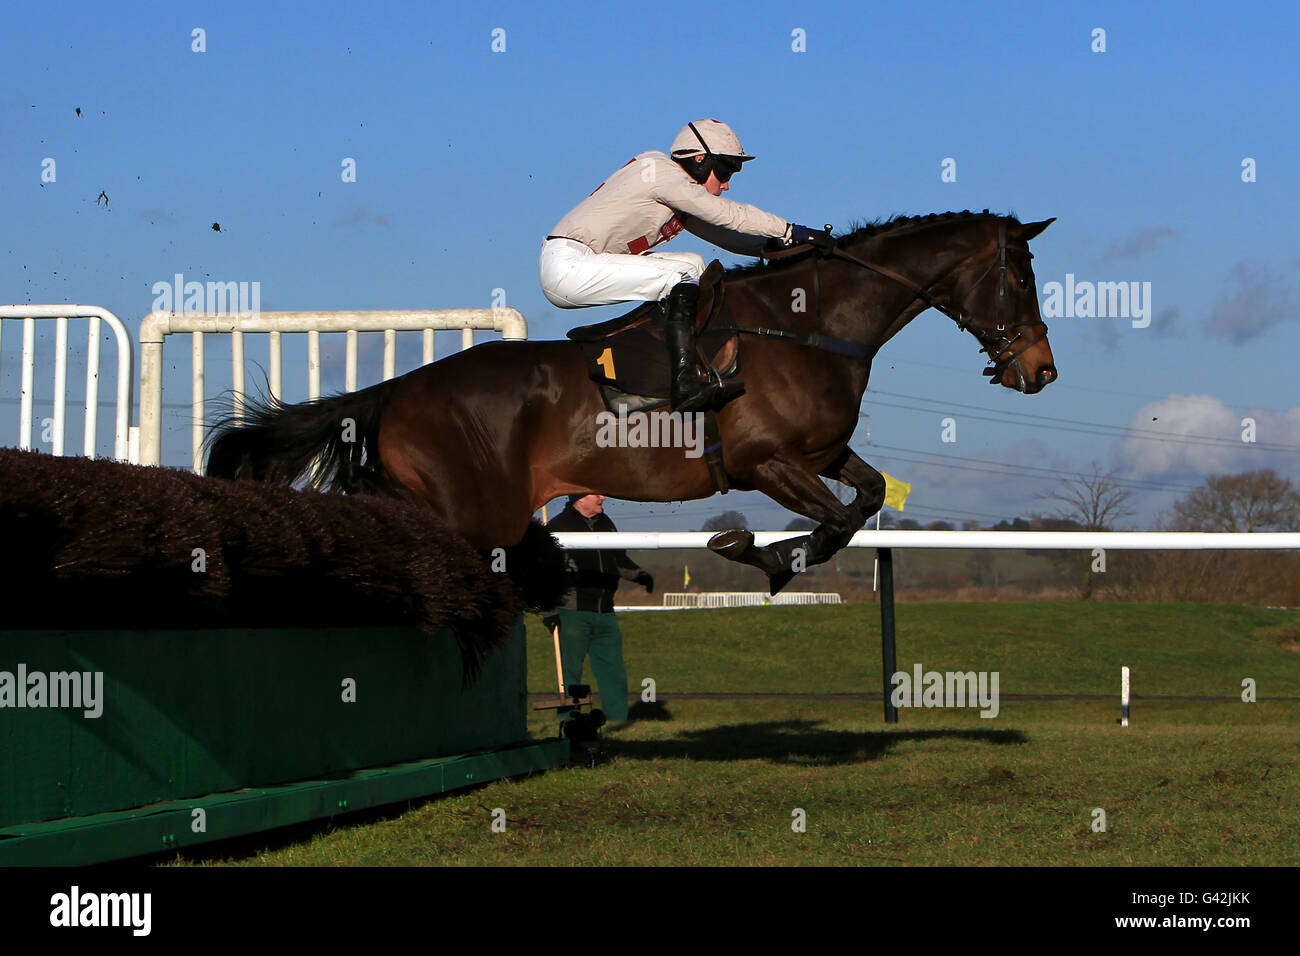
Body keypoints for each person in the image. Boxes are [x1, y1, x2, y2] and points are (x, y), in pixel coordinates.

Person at [539, 119, 832, 412]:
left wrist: (774, 247)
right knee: (681, 274)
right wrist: (789, 229)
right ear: (700, 160)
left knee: (693, 264)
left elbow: (726, 234)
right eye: (726, 170)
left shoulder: (676, 191)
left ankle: (663, 357)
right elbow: (728, 214)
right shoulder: (660, 173)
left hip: (584, 262)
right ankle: (684, 381)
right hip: (568, 266)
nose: (727, 183)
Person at [543, 494, 653, 725]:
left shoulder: (606, 523)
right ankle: (570, 720)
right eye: (596, 493)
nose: (603, 497)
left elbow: (619, 560)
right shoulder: (558, 526)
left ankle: (618, 721)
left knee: (614, 672)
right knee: (570, 673)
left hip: (605, 612)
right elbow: (543, 573)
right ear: (579, 498)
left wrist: (640, 575)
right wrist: (549, 611)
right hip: (571, 613)